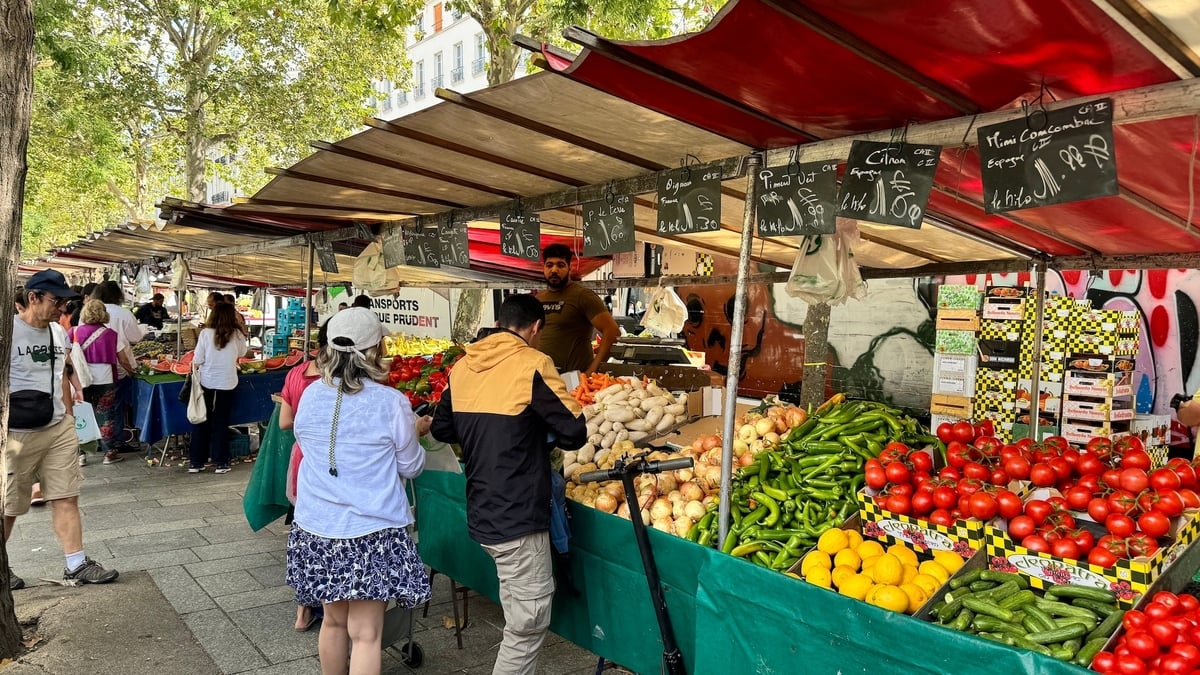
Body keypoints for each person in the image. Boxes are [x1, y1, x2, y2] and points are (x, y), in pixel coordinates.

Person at [432, 294, 587, 675]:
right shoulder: (532, 364)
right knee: (527, 624)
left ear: (501, 322)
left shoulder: (464, 365)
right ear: (535, 328)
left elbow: (442, 428)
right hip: (517, 514)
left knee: (518, 606)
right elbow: (574, 432)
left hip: (482, 509)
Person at [287, 307, 431, 675]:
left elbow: (306, 443)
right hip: (372, 530)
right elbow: (411, 466)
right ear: (375, 350)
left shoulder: (310, 396)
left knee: (333, 622)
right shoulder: (390, 402)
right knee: (366, 633)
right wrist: (414, 431)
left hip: (317, 526)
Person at [6, 270, 120, 589]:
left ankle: (77, 563)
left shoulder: (59, 332)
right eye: (56, 301)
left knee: (66, 495)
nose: (62, 308)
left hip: (57, 426)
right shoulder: (10, 331)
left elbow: (64, 369)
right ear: (33, 297)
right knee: (10, 505)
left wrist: (71, 414)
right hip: (17, 430)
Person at [278, 323, 328, 633]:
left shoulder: (295, 374)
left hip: (301, 462)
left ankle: (302, 611)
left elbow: (285, 422)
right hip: (327, 465)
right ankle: (325, 607)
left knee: (306, 536)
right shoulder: (333, 381)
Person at [535, 244, 620, 375]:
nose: (554, 270)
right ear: (543, 268)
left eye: (560, 265)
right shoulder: (538, 299)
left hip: (574, 381)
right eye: (549, 265)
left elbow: (612, 331)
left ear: (570, 268)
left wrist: (592, 371)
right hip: (542, 376)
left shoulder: (583, 296)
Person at [71, 299, 136, 466]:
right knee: (106, 416)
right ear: (103, 314)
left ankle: (82, 455)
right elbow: (123, 359)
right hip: (105, 379)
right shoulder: (112, 334)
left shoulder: (74, 332)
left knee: (82, 415)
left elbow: (65, 358)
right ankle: (108, 453)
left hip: (80, 381)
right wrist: (131, 371)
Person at [189, 303, 248, 474]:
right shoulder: (236, 334)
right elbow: (243, 353)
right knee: (221, 422)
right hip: (228, 382)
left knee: (202, 420)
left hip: (206, 381)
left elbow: (198, 359)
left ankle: (196, 462)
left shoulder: (206, 334)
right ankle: (221, 462)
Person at [92, 281, 143, 454]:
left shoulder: (89, 314)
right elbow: (135, 338)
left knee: (99, 407)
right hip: (119, 368)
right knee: (117, 406)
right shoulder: (123, 314)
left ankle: (101, 440)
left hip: (93, 370)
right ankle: (117, 441)